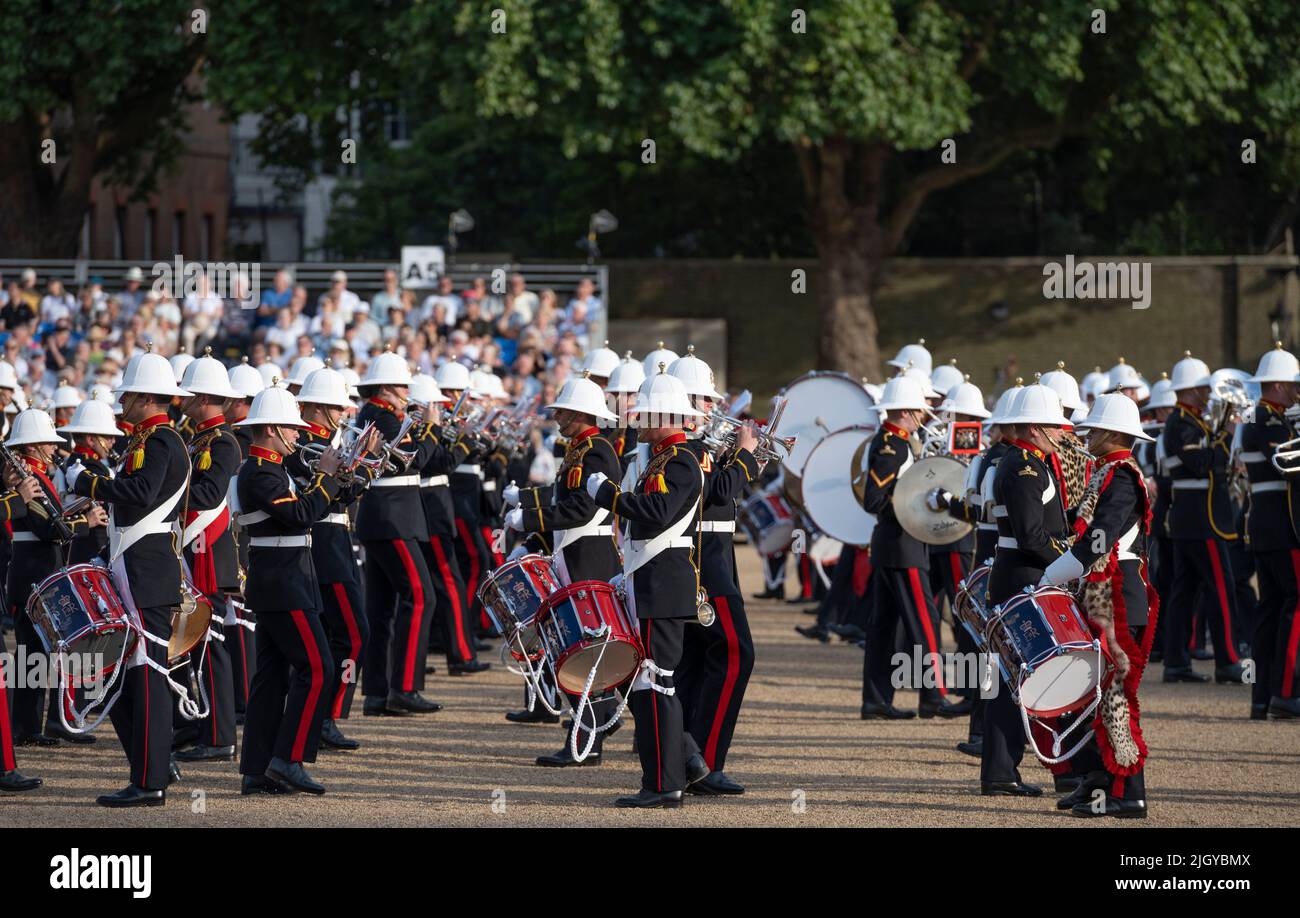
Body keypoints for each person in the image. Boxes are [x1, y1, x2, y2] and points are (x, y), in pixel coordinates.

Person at [67, 350, 191, 807]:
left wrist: (87, 483)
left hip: (146, 571)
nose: (122, 405)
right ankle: (151, 767)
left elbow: (139, 493)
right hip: (134, 567)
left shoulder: (161, 441)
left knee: (145, 677)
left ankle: (151, 779)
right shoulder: (151, 438)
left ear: (143, 397)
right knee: (125, 678)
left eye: (127, 397)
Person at [588, 367, 705, 808]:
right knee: (651, 684)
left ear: (665, 415)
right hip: (651, 578)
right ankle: (671, 773)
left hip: (665, 583)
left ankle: (662, 784)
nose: (638, 421)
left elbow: (656, 512)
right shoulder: (663, 457)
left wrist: (608, 495)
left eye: (646, 414)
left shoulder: (680, 460)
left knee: (656, 685)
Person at [1041, 393, 1158, 818]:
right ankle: (1102, 783)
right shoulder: (1108, 472)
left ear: (1112, 434)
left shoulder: (1122, 476)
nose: (1086, 435)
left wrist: (1053, 573)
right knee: (1099, 694)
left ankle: (1130, 793)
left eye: (1094, 429)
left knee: (1116, 696)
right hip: (1107, 594)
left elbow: (1099, 538)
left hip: (1119, 596)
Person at [505, 371, 623, 764]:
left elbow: (581, 509)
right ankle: (594, 725)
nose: (557, 416)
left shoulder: (596, 451)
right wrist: (525, 498)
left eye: (563, 411)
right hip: (573, 554)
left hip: (587, 556)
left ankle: (588, 737)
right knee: (576, 647)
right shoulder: (579, 447)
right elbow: (562, 495)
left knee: (583, 649)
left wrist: (530, 520)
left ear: (581, 413)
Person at [234, 384, 342, 795]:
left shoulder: (274, 467)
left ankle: (258, 769)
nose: (299, 436)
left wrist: (335, 479)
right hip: (283, 581)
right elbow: (299, 516)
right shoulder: (260, 470)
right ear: (273, 429)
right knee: (319, 668)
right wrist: (327, 478)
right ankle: (287, 759)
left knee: (273, 677)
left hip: (288, 577)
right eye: (293, 430)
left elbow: (312, 509)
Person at [667, 349, 760, 795]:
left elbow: (719, 491)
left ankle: (684, 755)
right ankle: (706, 758)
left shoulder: (694, 445)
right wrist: (743, 455)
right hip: (706, 562)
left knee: (693, 661)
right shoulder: (688, 446)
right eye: (705, 401)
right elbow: (719, 489)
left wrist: (740, 459)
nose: (712, 410)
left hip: (707, 556)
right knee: (735, 654)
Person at [980, 383, 1071, 798]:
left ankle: (1003, 770)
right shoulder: (1026, 468)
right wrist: (1072, 561)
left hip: (1018, 575)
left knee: (1011, 677)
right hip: (1025, 578)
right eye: (1056, 425)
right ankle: (1004, 771)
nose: (1064, 432)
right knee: (1020, 678)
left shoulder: (1021, 462)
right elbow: (1033, 537)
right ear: (1036, 428)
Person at [285, 365, 382, 750]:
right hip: (323, 539)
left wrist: (362, 465)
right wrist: (356, 466)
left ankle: (321, 716)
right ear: (318, 407)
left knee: (337, 634)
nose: (345, 414)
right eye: (338, 408)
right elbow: (329, 497)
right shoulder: (304, 445)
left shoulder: (329, 439)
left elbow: (347, 493)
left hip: (337, 538)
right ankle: (326, 715)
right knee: (354, 633)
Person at [859, 375, 960, 721]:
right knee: (924, 619)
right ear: (905, 410)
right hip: (902, 543)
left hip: (893, 544)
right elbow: (875, 499)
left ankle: (875, 699)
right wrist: (917, 505)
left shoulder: (899, 440)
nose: (925, 412)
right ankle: (935, 694)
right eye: (919, 408)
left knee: (884, 624)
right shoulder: (894, 445)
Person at [5, 409, 104, 746]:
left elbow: (53, 520)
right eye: (46, 442)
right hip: (31, 571)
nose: (52, 447)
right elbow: (48, 529)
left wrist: (72, 515)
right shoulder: (25, 478)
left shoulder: (37, 475)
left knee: (40, 653)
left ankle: (31, 726)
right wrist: (84, 522)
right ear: (32, 446)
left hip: (41, 569)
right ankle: (24, 727)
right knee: (31, 653)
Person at [355, 351, 443, 716]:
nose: (408, 392)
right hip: (392, 517)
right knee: (421, 597)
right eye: (404, 386)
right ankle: (404, 686)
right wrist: (433, 428)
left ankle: (377, 691)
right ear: (388, 388)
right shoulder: (385, 419)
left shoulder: (379, 415)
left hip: (384, 516)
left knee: (382, 607)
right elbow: (417, 460)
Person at [172, 352, 244, 763]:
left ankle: (218, 737)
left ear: (202, 398)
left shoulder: (222, 442)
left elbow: (208, 496)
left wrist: (161, 492)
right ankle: (200, 726)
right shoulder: (200, 438)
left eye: (188, 394)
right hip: (194, 552)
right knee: (194, 644)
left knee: (210, 646)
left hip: (208, 554)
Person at [1159, 352, 1247, 683]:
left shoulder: (1192, 422)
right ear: (1190, 390)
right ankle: (1228, 660)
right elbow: (1201, 464)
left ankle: (1177, 661)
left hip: (1195, 516)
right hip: (1200, 518)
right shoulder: (1181, 423)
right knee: (1221, 587)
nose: (1209, 394)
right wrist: (1226, 432)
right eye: (1203, 388)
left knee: (1186, 590)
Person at [1238, 345, 1300, 719]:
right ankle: (1288, 692)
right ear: (1277, 384)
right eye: (1292, 384)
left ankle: (1261, 697)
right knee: (1296, 603)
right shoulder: (1267, 419)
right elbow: (1287, 465)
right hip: (1283, 524)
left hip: (1266, 524)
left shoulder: (1264, 416)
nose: (1296, 391)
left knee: (1272, 609)